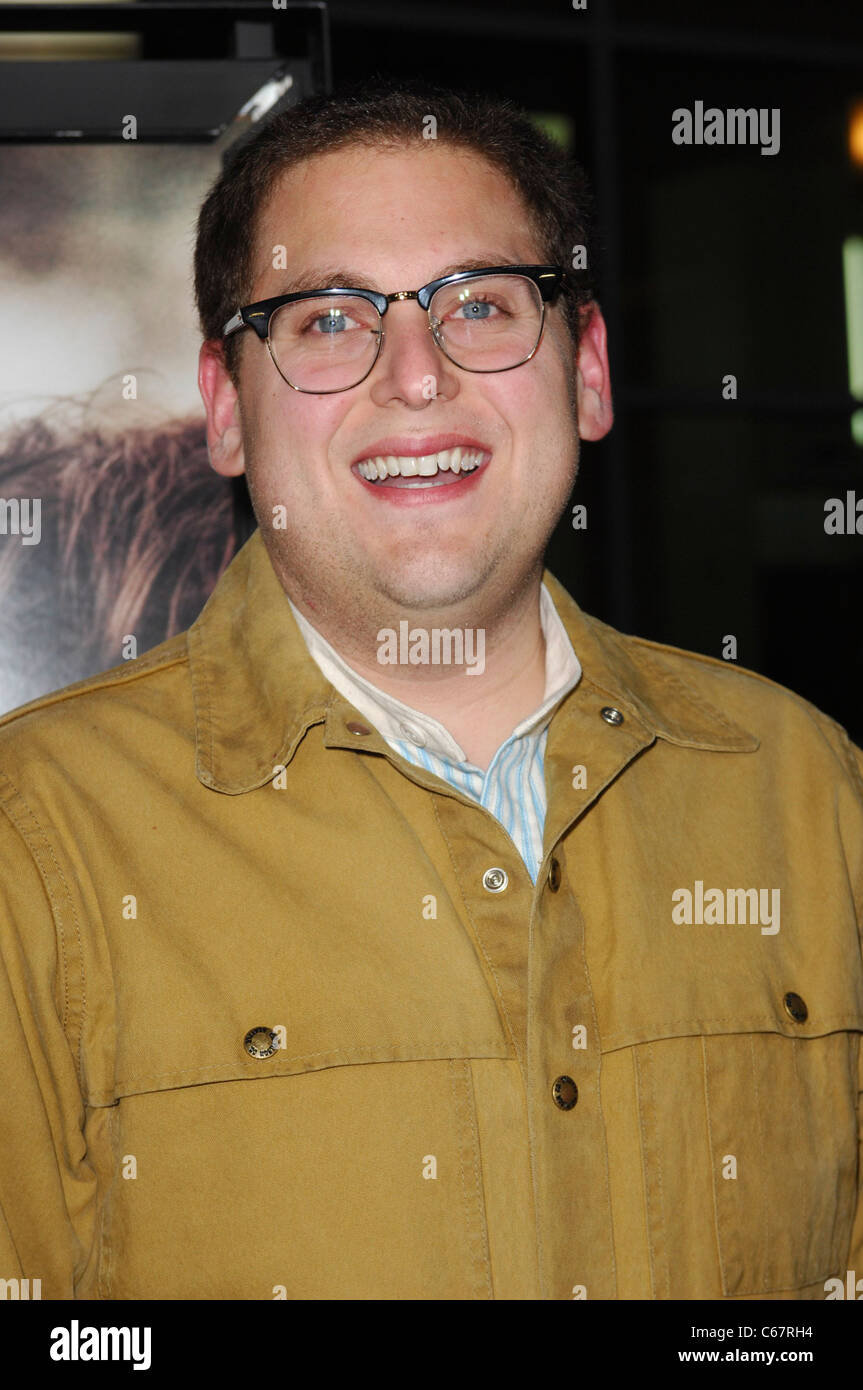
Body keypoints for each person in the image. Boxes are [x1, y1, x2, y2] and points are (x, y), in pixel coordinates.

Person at [1, 78, 861, 1302]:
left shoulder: (808, 792)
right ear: (224, 409)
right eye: (327, 319)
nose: (416, 376)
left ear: (589, 374)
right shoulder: (32, 842)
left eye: (481, 303)